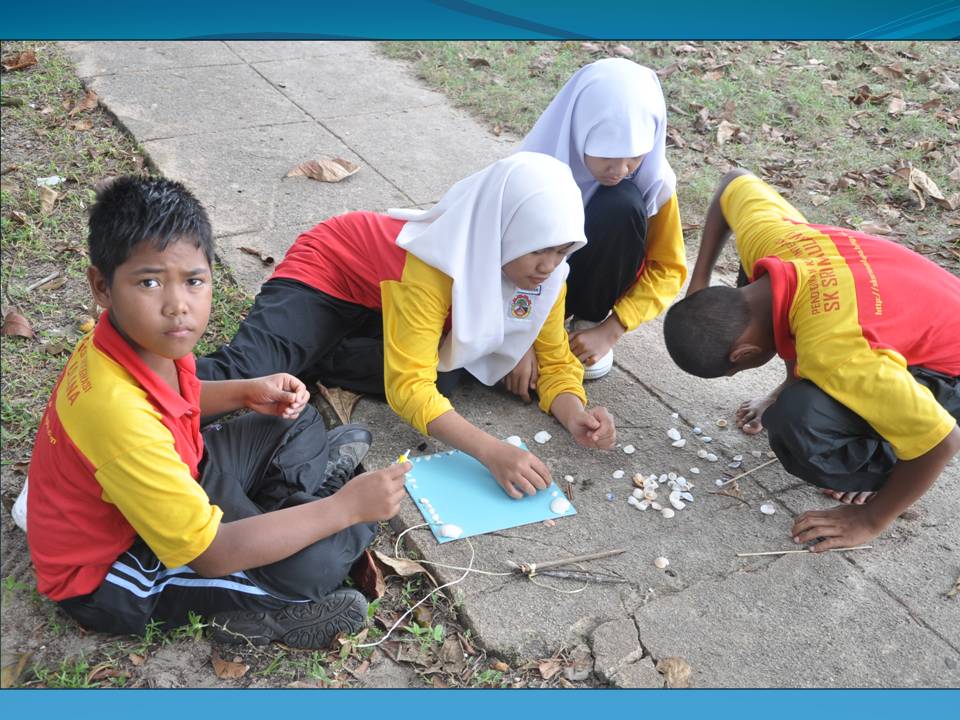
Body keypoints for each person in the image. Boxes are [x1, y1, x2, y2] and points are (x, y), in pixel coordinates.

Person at [26, 176, 410, 649]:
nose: (177, 306)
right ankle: (261, 605)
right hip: (115, 570)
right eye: (149, 282)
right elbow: (212, 554)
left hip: (171, 483)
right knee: (322, 559)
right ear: (102, 286)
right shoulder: (116, 413)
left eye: (193, 281)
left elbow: (174, 399)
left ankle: (289, 516)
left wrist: (247, 392)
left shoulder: (136, 339)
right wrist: (344, 507)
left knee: (295, 417)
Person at [198, 152, 617, 499]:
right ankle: (143, 395)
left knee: (447, 376)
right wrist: (492, 452)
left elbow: (555, 361)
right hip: (328, 274)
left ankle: (311, 352)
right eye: (538, 250)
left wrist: (575, 414)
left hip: (382, 304)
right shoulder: (435, 265)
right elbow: (409, 388)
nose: (548, 266)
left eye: (563, 251)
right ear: (502, 232)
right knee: (250, 372)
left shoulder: (548, 278)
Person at [664, 169, 960, 551]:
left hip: (948, 371)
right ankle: (850, 406)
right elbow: (731, 182)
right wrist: (698, 281)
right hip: (927, 310)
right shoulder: (770, 239)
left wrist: (871, 521)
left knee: (796, 420)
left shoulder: (835, 353)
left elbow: (941, 441)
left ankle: (877, 468)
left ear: (743, 355)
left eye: (735, 369)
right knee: (763, 286)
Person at [509, 57, 686, 388]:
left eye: (634, 155)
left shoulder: (654, 184)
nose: (619, 169)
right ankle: (540, 326)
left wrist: (612, 328)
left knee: (624, 202)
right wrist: (520, 337)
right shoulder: (528, 172)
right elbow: (497, 255)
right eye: (606, 154)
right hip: (526, 289)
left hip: (588, 292)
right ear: (578, 131)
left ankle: (583, 324)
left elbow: (668, 268)